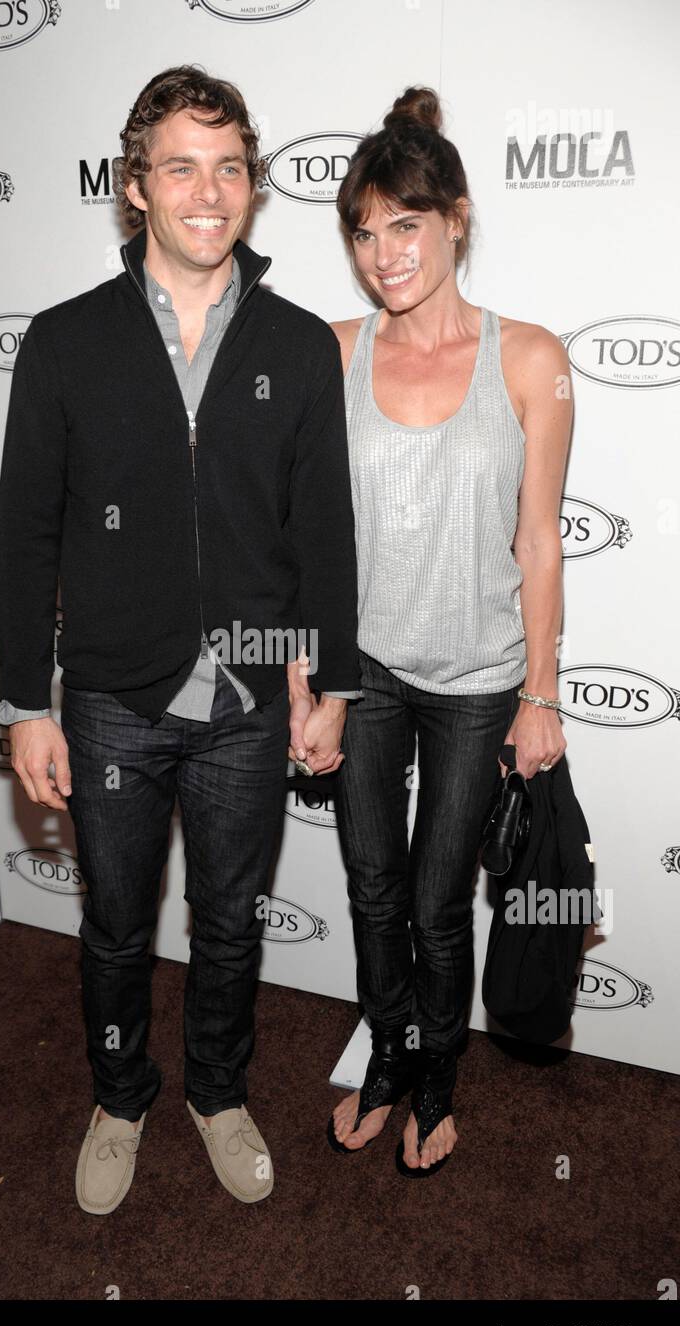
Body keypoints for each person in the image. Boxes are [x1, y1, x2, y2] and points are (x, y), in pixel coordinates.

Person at [0, 65, 361, 1212]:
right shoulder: (63, 343)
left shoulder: (299, 346)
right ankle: (119, 1094)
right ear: (134, 186)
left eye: (230, 167)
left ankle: (216, 1090)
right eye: (180, 167)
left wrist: (333, 683)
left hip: (249, 702)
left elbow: (325, 536)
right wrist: (25, 702)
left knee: (231, 922)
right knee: (112, 924)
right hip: (107, 696)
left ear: (252, 184)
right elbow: (25, 534)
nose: (209, 191)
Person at [325, 85, 572, 1176]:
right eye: (365, 231)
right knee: (370, 884)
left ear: (456, 217)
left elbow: (538, 542)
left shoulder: (527, 359)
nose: (383, 254)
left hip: (480, 680)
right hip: (367, 669)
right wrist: (308, 677)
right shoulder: (330, 353)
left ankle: (438, 1074)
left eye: (406, 225)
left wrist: (542, 692)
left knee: (435, 901)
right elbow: (304, 541)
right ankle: (386, 1053)